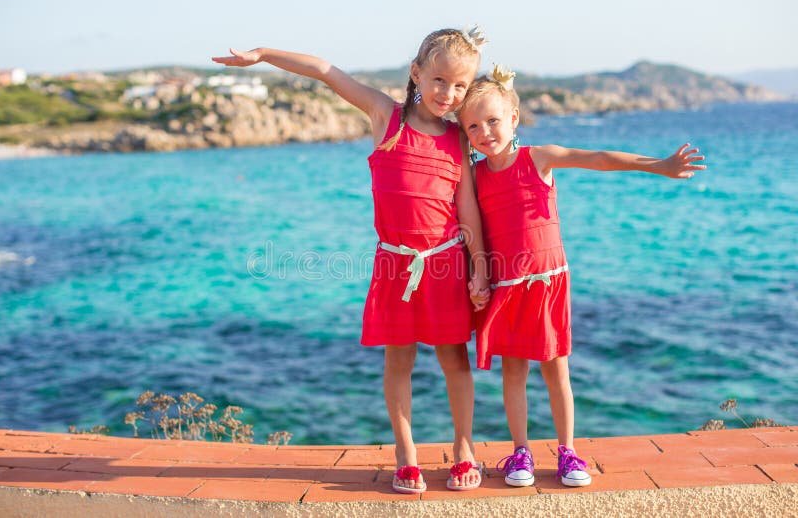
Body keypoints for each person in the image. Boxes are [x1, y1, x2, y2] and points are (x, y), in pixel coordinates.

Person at [212, 27, 491, 493]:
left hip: (446, 265)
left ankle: (464, 450)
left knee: (454, 360)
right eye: (440, 80)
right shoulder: (386, 116)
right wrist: (262, 54)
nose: (448, 93)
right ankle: (406, 454)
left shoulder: (458, 139)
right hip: (395, 265)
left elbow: (468, 212)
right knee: (398, 361)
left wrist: (480, 268)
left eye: (460, 85)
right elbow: (326, 71)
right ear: (417, 73)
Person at [456, 65, 706, 488]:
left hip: (548, 282)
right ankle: (521, 452)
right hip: (508, 288)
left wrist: (660, 165)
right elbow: (471, 231)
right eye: (473, 127)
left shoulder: (540, 158)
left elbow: (600, 159)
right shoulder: (475, 176)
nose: (484, 132)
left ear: (513, 118)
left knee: (557, 371)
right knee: (513, 373)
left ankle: (568, 450)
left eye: (493, 121)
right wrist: (476, 279)